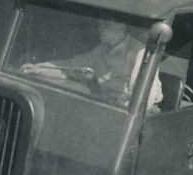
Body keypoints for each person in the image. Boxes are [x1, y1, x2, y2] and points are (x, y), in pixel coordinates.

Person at [21, 21, 163, 111]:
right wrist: (39, 68)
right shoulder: (101, 50)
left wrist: (119, 115)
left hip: (126, 117)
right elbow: (71, 67)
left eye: (106, 24)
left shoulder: (140, 53)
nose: (99, 28)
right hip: (102, 108)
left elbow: (143, 100)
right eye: (100, 23)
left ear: (123, 27)